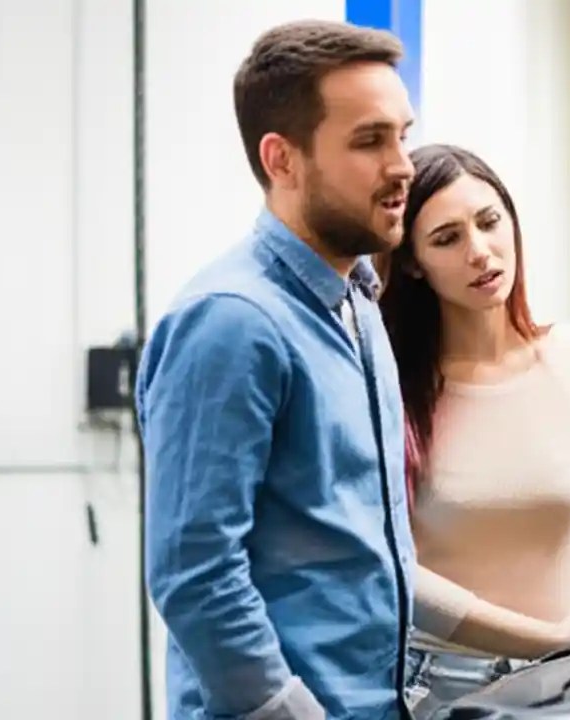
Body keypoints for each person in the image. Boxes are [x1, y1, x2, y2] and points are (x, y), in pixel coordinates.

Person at [135, 21, 417, 720]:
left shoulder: (357, 301)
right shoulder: (233, 320)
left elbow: (367, 552)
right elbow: (195, 574)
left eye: (403, 135)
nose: (403, 165)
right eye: (369, 140)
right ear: (281, 159)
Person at [373, 143, 570, 717]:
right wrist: (548, 637)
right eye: (447, 238)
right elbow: (394, 571)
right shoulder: (386, 385)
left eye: (489, 222)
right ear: (412, 263)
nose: (480, 252)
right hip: (444, 684)